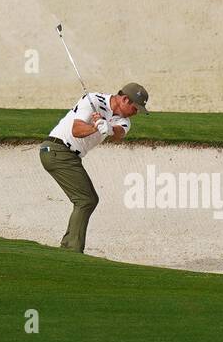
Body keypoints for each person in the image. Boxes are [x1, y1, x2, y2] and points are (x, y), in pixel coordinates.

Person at [39, 83, 149, 252]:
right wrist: (96, 126)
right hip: (56, 149)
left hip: (68, 156)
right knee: (86, 200)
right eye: (135, 108)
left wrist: (109, 128)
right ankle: (72, 250)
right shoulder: (93, 100)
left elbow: (119, 134)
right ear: (125, 99)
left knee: (88, 200)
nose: (136, 113)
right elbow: (76, 130)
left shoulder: (124, 120)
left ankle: (67, 247)